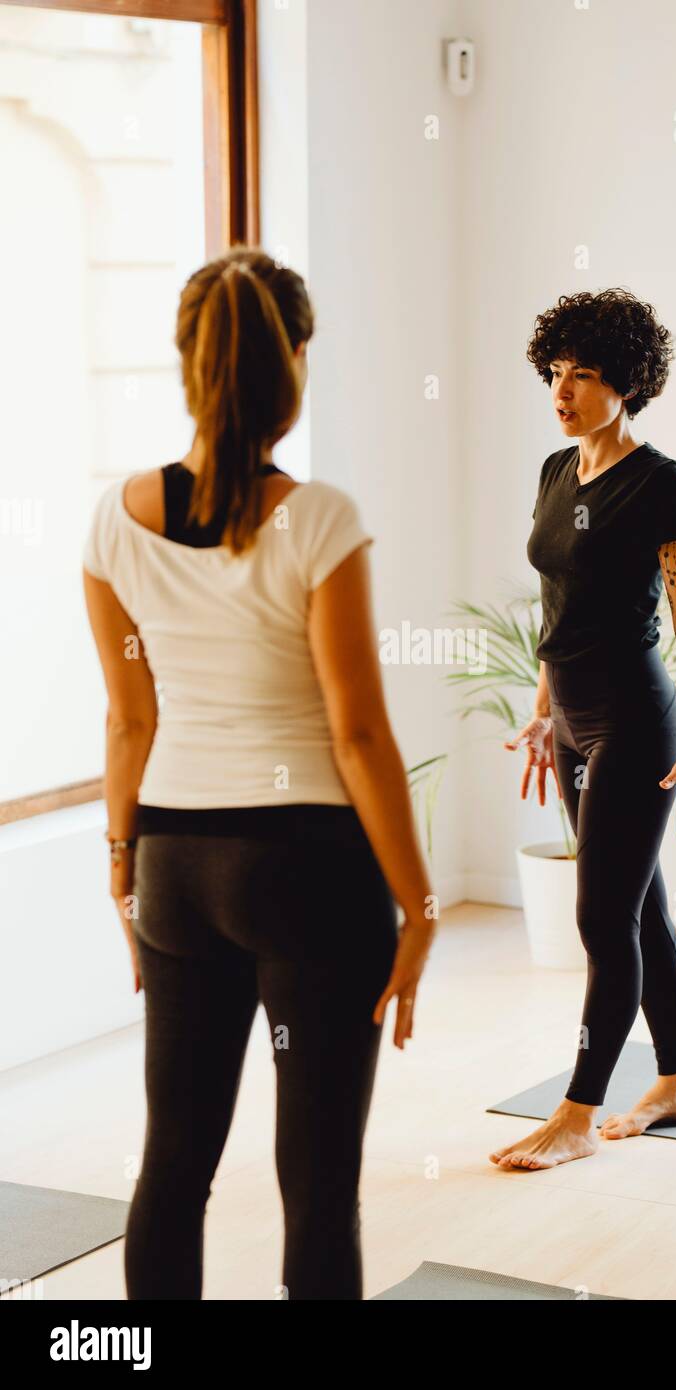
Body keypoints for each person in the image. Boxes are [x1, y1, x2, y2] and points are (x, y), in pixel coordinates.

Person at [82, 246, 436, 1299]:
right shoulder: (317, 518)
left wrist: (121, 862)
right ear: (294, 365)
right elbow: (359, 735)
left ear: (191, 362)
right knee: (318, 1183)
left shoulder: (118, 517)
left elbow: (128, 717)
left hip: (178, 864)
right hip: (308, 871)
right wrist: (418, 904)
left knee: (173, 1167)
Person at [493, 288, 676, 1171]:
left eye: (584, 375)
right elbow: (557, 601)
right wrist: (544, 705)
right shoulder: (556, 472)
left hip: (637, 717)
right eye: (556, 372)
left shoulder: (662, 483)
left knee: (600, 915)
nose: (564, 390)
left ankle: (577, 1115)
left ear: (626, 381)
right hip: (574, 723)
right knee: (640, 905)